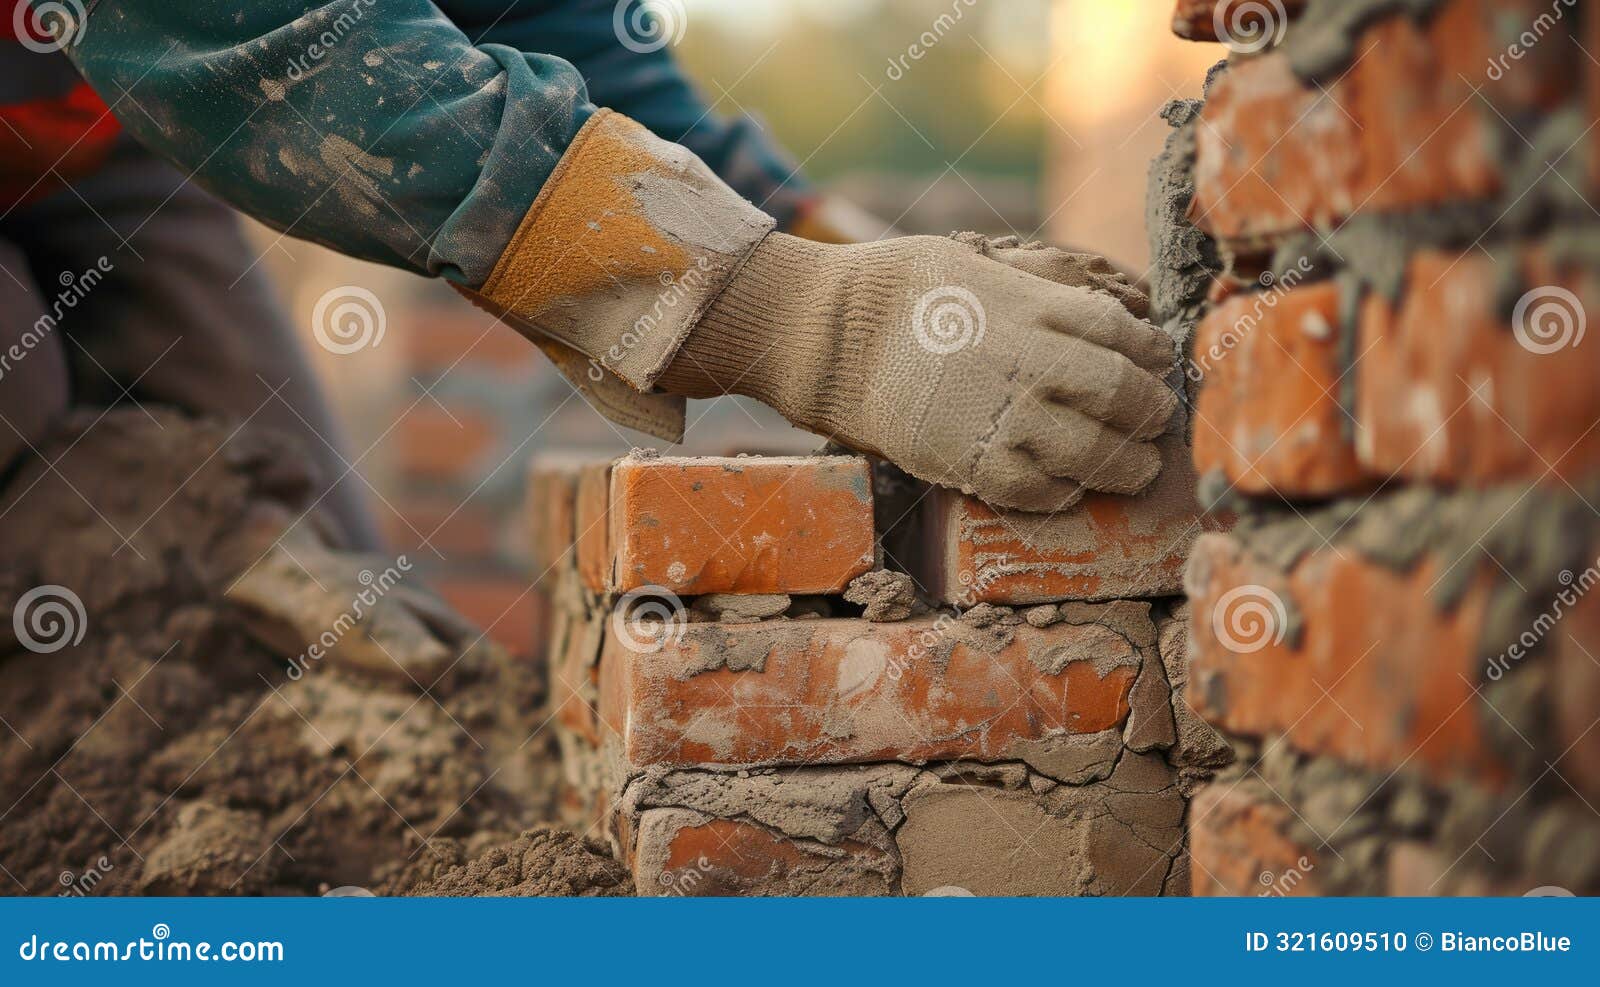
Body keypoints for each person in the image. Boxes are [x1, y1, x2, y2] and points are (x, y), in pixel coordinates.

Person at [2, 0, 1175, 552]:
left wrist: (835, 243)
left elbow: (570, 41)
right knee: (26, 419)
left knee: (303, 556)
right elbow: (285, 56)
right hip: (165, 61)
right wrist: (803, 322)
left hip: (85, 144)